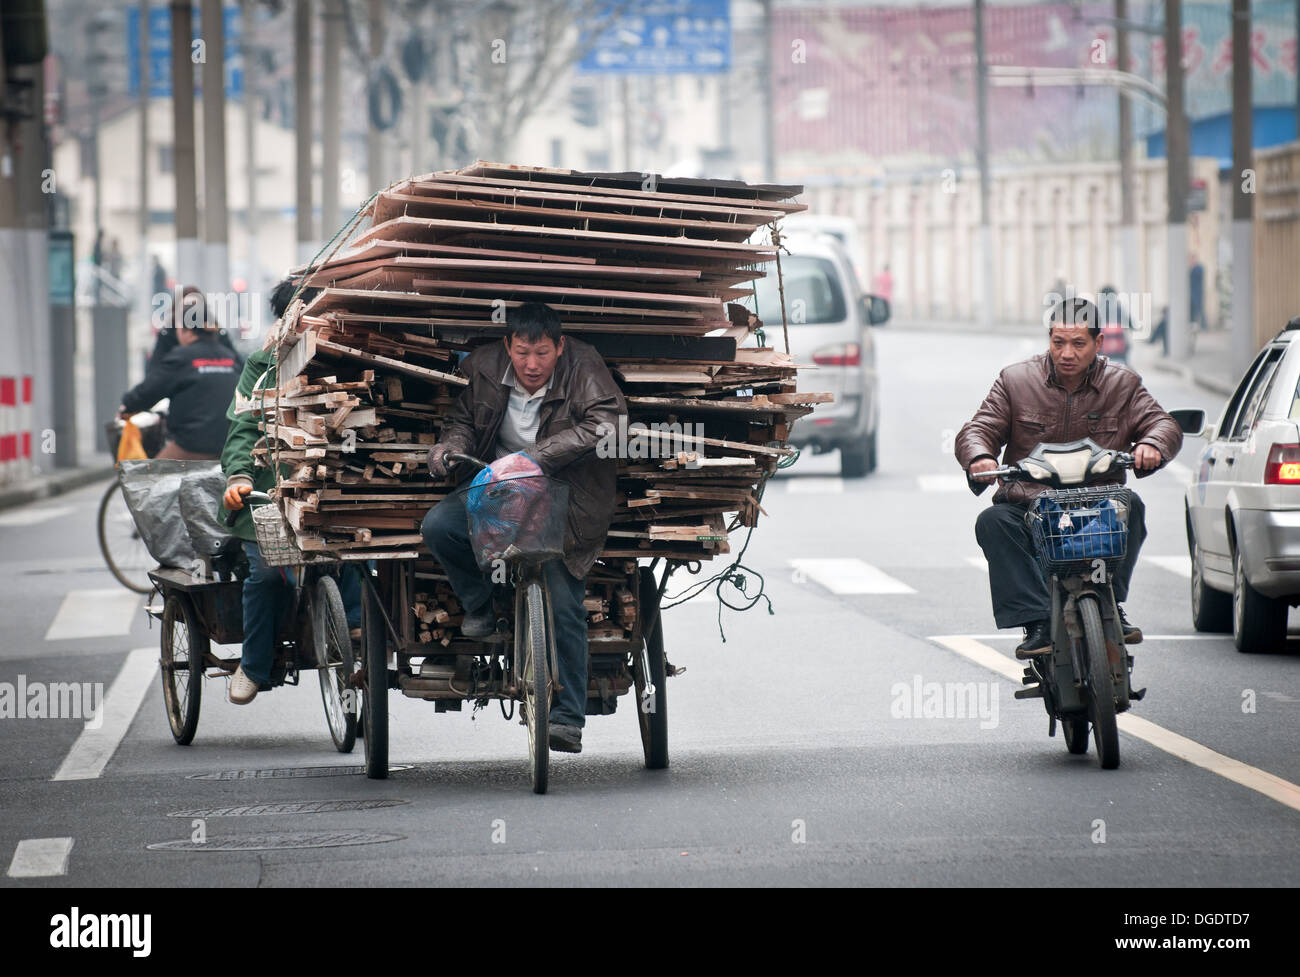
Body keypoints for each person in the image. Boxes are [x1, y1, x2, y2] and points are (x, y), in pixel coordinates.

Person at [420, 301, 627, 754]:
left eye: (542, 353)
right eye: (522, 352)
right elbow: (461, 421)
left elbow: (608, 424)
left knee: (564, 602)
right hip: (499, 490)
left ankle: (568, 718)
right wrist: (449, 449)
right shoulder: (484, 367)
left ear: (560, 347)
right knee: (438, 526)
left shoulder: (585, 366)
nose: (532, 364)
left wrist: (535, 458)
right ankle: (481, 605)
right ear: (507, 346)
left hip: (566, 495)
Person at [955, 296, 1183, 657]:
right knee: (993, 522)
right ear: (1049, 339)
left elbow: (1162, 423)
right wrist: (980, 456)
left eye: (1078, 343)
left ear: (1098, 342)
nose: (1067, 353)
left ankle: (1111, 603)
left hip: (1099, 504)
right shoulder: (1015, 380)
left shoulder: (1123, 384)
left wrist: (1152, 444)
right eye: (1058, 342)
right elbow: (979, 428)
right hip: (1030, 504)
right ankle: (1036, 621)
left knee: (1132, 506)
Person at [220, 277, 362, 705]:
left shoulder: (346, 358)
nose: (311, 327)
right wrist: (239, 476)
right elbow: (243, 427)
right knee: (267, 575)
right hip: (271, 492)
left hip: (332, 488)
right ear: (286, 323)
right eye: (302, 318)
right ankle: (254, 665)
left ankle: (357, 639)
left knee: (361, 558)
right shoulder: (262, 365)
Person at [118, 289, 242, 459]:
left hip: (192, 445)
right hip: (232, 443)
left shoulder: (182, 357)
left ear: (187, 331)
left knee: (153, 474)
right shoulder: (229, 357)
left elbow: (151, 388)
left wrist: (128, 405)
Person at [148, 285, 237, 373]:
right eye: (185, 309)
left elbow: (238, 368)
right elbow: (154, 372)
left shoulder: (219, 334)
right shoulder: (167, 336)